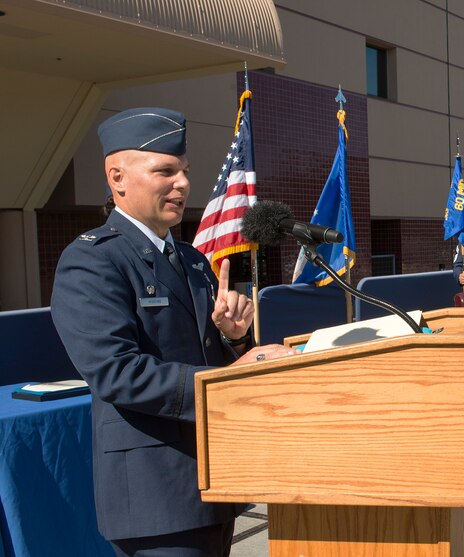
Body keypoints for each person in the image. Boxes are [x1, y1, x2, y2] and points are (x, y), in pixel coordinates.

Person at [51, 107, 297, 557]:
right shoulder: (92, 260)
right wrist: (229, 376)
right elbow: (117, 373)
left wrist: (235, 338)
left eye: (184, 171)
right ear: (117, 177)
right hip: (155, 492)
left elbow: (211, 355)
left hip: (216, 480)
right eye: (165, 171)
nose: (182, 183)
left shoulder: (192, 260)